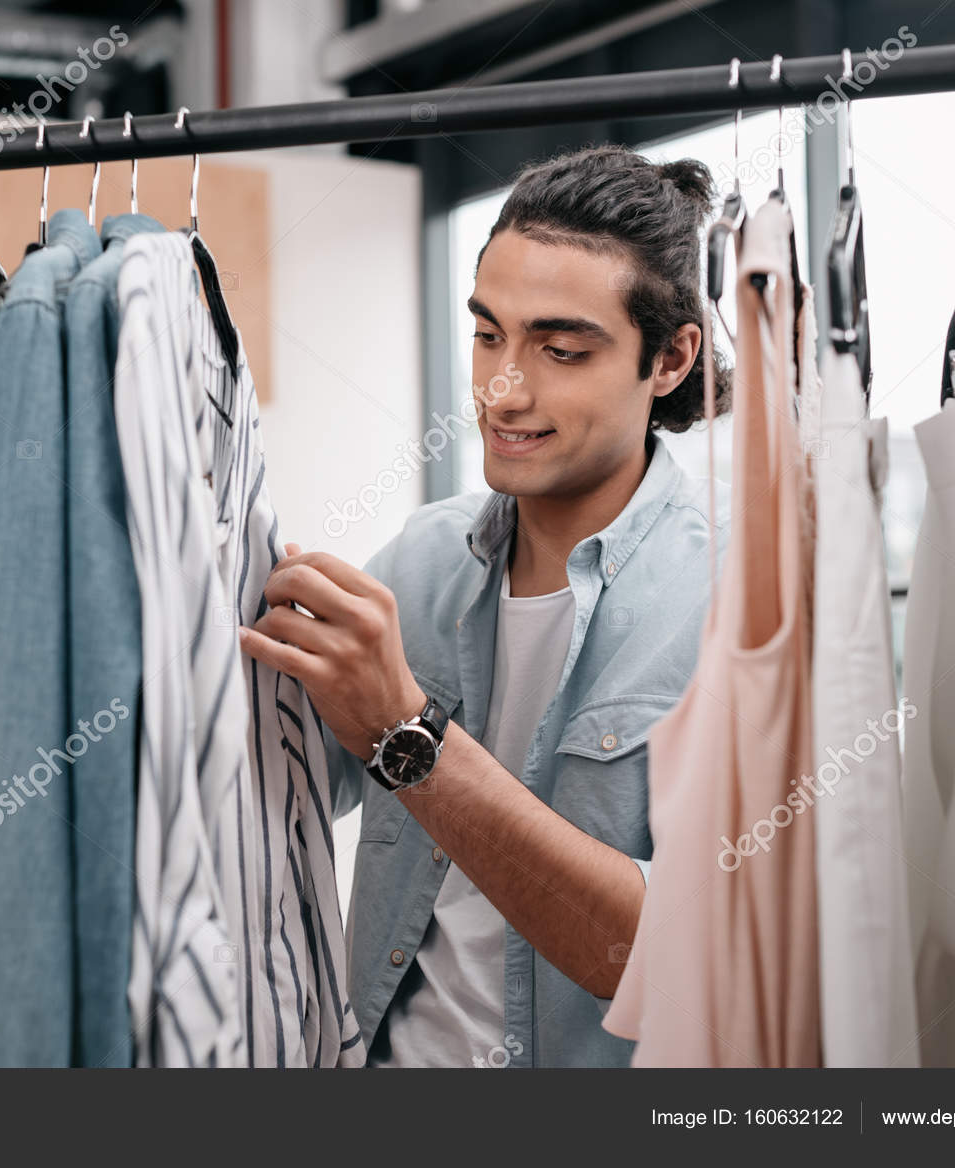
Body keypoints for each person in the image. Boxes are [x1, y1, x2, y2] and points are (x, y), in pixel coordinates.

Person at [238, 144, 732, 1068]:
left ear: (669, 359)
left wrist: (404, 732)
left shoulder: (735, 603)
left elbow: (674, 961)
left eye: (561, 348)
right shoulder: (425, 560)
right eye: (488, 335)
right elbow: (261, 776)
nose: (505, 387)